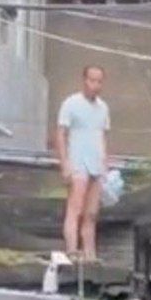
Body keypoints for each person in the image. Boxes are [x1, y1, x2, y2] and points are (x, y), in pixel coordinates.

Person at [54, 65, 110, 261]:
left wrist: (105, 165)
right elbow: (60, 134)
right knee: (75, 209)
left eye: (99, 81)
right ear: (84, 80)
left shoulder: (103, 108)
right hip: (78, 162)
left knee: (91, 213)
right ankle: (72, 250)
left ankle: (89, 253)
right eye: (92, 80)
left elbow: (102, 136)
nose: (95, 85)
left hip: (96, 164)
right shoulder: (71, 103)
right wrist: (64, 163)